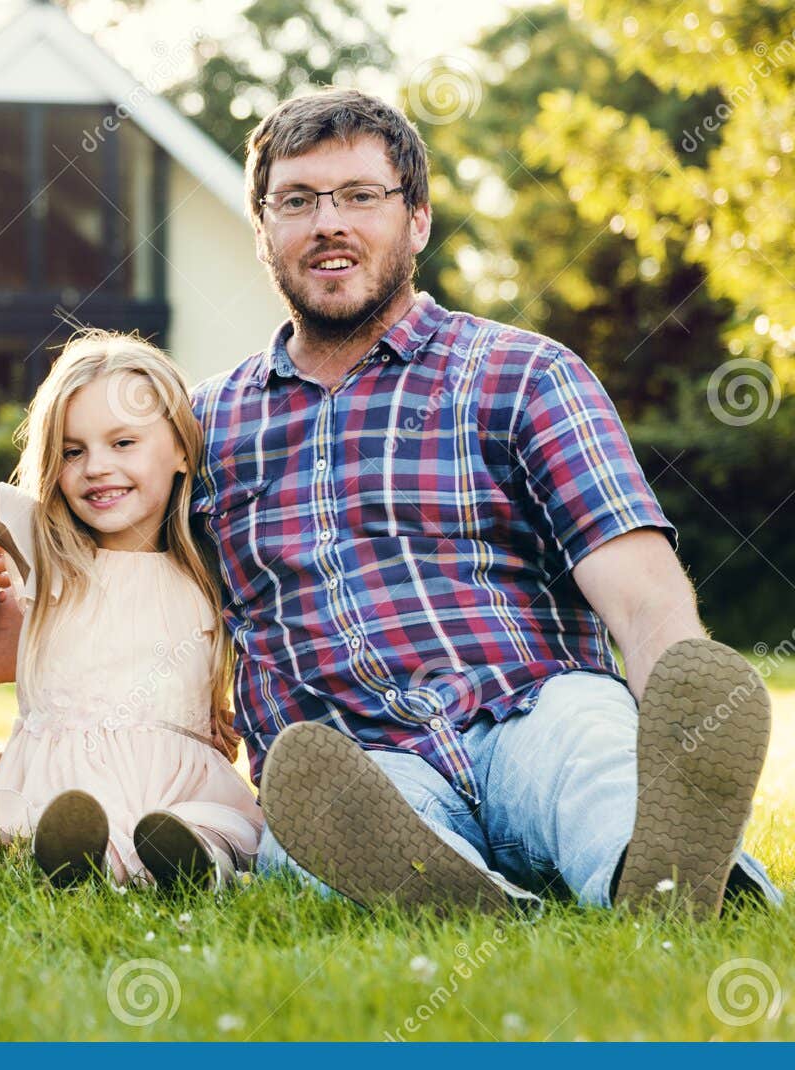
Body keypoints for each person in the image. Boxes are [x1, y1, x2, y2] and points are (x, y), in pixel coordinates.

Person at [200, 88, 776, 915]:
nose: (328, 222)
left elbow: (644, 598)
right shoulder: (202, 425)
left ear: (419, 221)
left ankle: (674, 880)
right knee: (316, 818)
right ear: (263, 231)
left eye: (361, 196)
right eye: (296, 201)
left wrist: (685, 729)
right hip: (355, 757)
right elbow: (97, 578)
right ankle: (462, 894)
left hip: (533, 711)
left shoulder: (525, 374)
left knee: (599, 769)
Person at [0, 332, 265, 890]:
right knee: (56, 825)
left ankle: (190, 863)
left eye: (123, 443)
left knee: (213, 827)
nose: (96, 466)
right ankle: (80, 858)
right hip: (62, 793)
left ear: (180, 451)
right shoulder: (46, 545)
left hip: (178, 791)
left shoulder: (213, 565)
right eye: (73, 451)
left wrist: (219, 711)